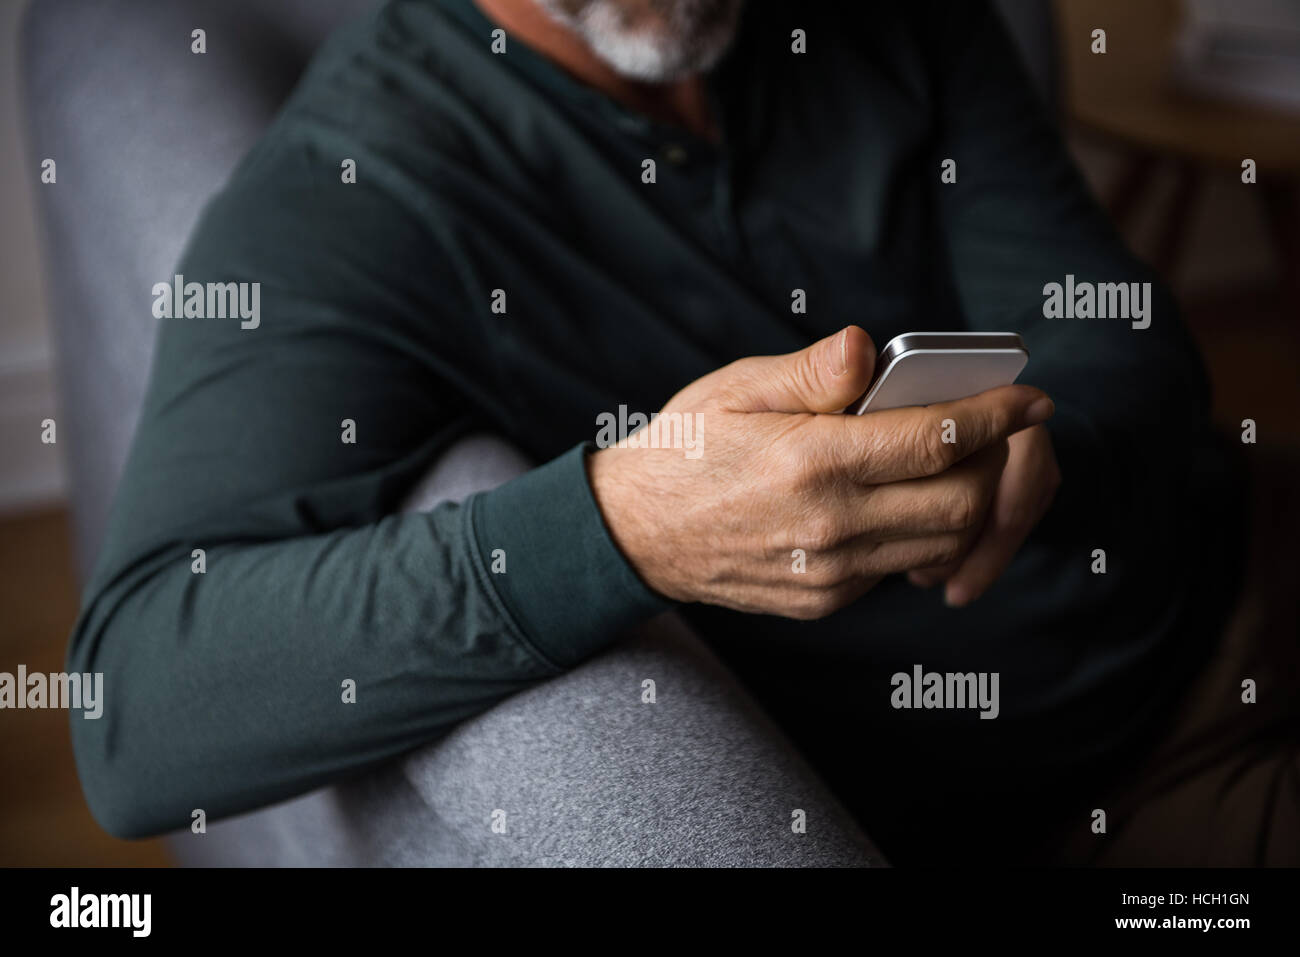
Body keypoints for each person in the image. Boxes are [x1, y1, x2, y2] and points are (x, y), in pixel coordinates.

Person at [67, 0, 1251, 864]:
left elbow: (1112, 325)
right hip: (1098, 799)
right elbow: (137, 709)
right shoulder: (352, 196)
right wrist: (628, 529)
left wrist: (1052, 448)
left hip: (1225, 582)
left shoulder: (889, 24)